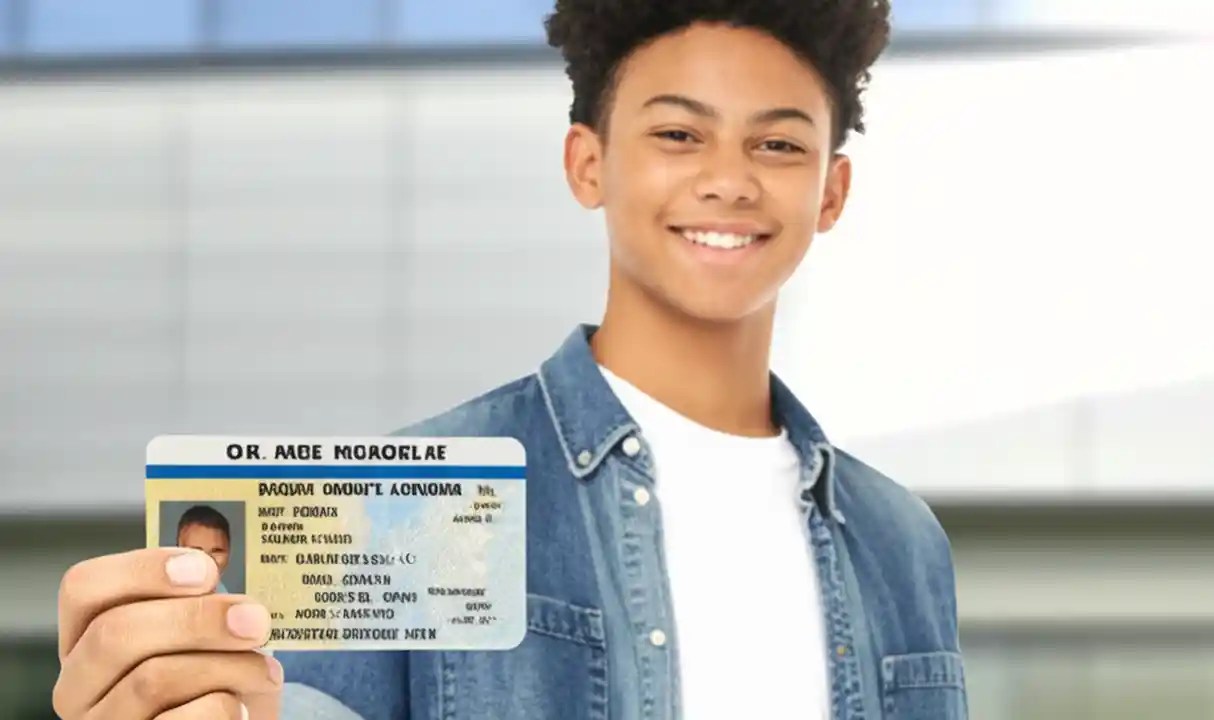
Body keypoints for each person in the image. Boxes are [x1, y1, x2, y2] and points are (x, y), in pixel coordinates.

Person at [53, 0, 967, 718]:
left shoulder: (902, 542)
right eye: (679, 134)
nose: (729, 177)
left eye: (778, 144)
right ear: (588, 164)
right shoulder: (414, 504)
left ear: (831, 191)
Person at [174, 505, 232, 594]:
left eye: (217, 551)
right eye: (196, 551)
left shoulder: (225, 596)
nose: (207, 559)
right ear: (177, 553)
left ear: (229, 553)